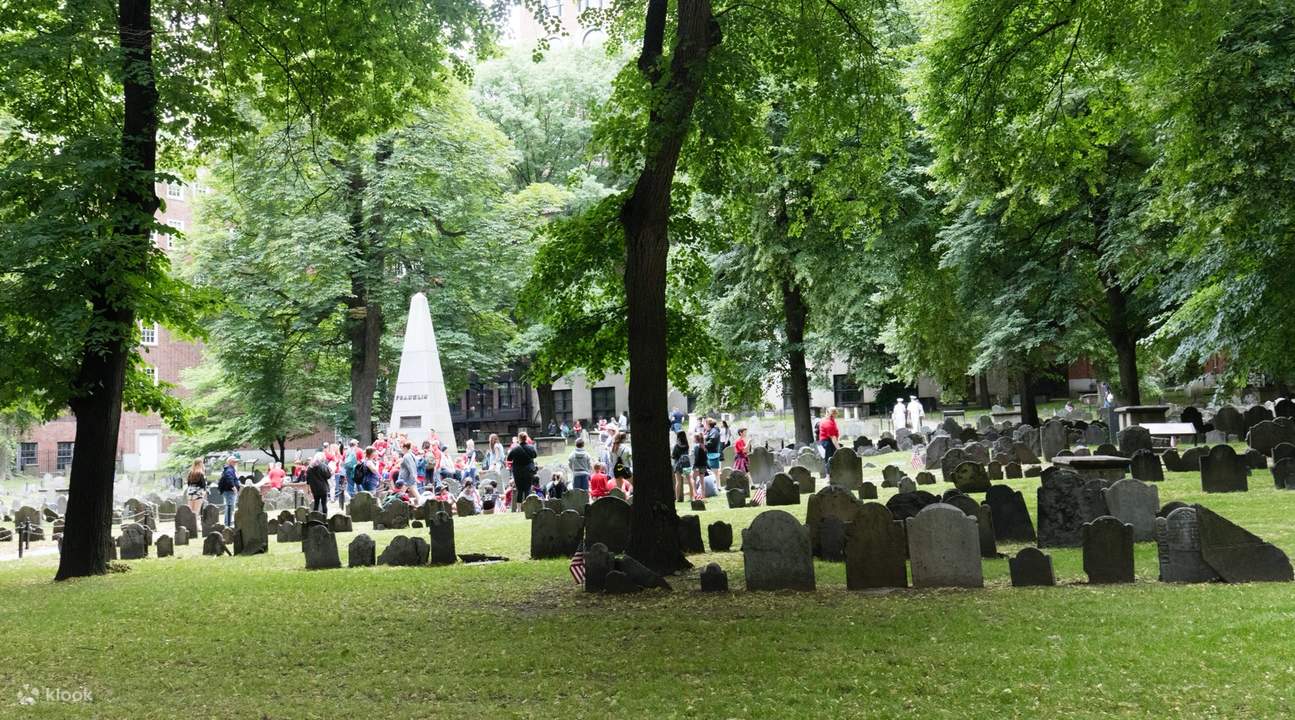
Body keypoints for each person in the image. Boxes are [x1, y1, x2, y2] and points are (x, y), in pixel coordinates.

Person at [508, 432, 539, 503]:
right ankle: (527, 505)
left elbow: (509, 458)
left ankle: (519, 508)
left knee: (519, 490)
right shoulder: (531, 447)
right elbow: (535, 455)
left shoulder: (515, 449)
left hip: (518, 471)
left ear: (519, 439)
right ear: (526, 438)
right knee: (527, 489)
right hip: (528, 470)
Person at [217, 456, 239, 526]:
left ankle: (227, 522)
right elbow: (229, 479)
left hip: (229, 491)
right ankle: (228, 523)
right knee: (230, 506)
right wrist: (234, 488)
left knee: (229, 506)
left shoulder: (230, 469)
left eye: (236, 462)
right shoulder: (229, 469)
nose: (235, 463)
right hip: (229, 491)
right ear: (229, 462)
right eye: (234, 462)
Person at [819, 407, 840, 476]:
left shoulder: (830, 420)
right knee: (829, 458)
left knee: (832, 458)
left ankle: (833, 473)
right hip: (827, 442)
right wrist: (839, 449)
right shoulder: (827, 423)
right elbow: (833, 437)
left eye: (835, 413)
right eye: (834, 413)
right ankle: (829, 475)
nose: (835, 415)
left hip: (829, 441)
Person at [671, 430, 690, 502]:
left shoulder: (676, 446)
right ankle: (692, 496)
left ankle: (677, 498)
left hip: (678, 465)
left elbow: (673, 456)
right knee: (689, 480)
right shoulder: (687, 445)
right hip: (686, 464)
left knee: (678, 482)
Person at [690, 431, 708, 501]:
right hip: (703, 466)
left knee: (692, 478)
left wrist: (695, 467)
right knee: (702, 481)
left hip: (697, 466)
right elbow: (705, 457)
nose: (692, 439)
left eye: (693, 438)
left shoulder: (696, 446)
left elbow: (696, 457)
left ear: (696, 439)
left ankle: (695, 495)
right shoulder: (703, 445)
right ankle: (703, 496)